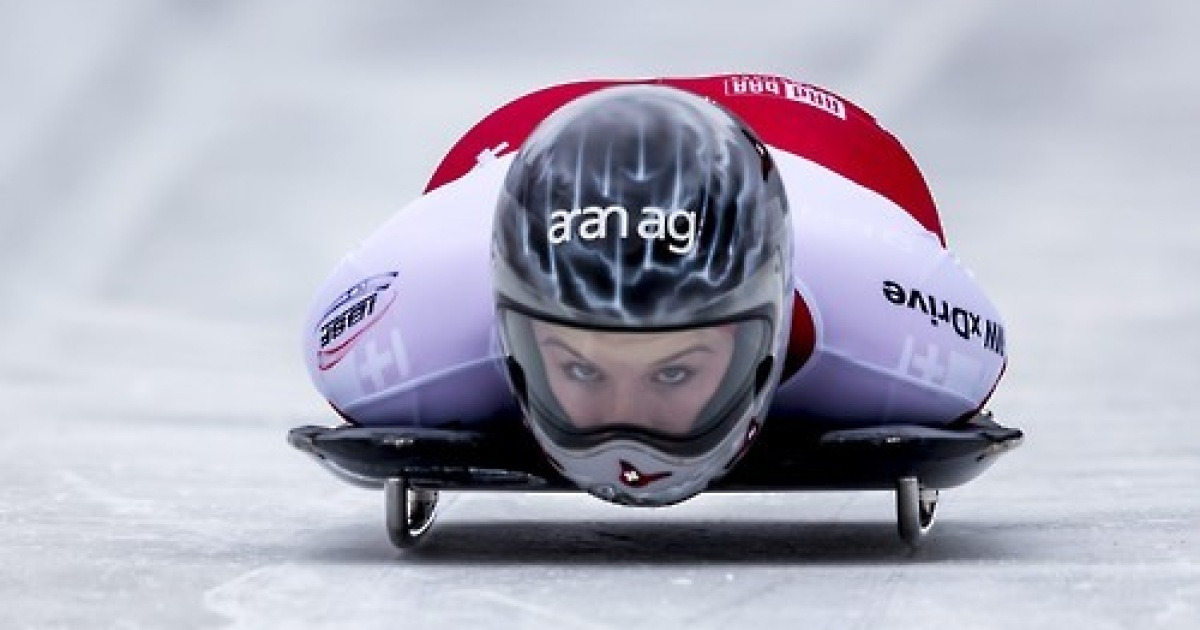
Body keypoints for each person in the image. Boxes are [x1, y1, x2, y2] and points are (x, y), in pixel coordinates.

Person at [302, 73, 1008, 507]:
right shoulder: (404, 323)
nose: (625, 427)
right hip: (515, 149)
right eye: (579, 366)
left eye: (674, 369)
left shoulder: (899, 311)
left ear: (764, 332)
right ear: (512, 329)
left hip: (816, 150)